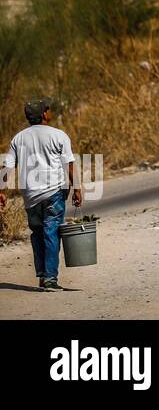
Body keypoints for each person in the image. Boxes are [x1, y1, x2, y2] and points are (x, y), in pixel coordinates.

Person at [0, 98, 82, 291]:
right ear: (44, 114)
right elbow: (69, 164)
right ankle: (50, 279)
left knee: (38, 234)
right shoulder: (58, 135)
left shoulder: (18, 139)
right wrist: (77, 188)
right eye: (48, 109)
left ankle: (42, 275)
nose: (49, 111)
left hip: (30, 197)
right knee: (51, 232)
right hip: (54, 192)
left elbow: (7, 167)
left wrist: (1, 191)